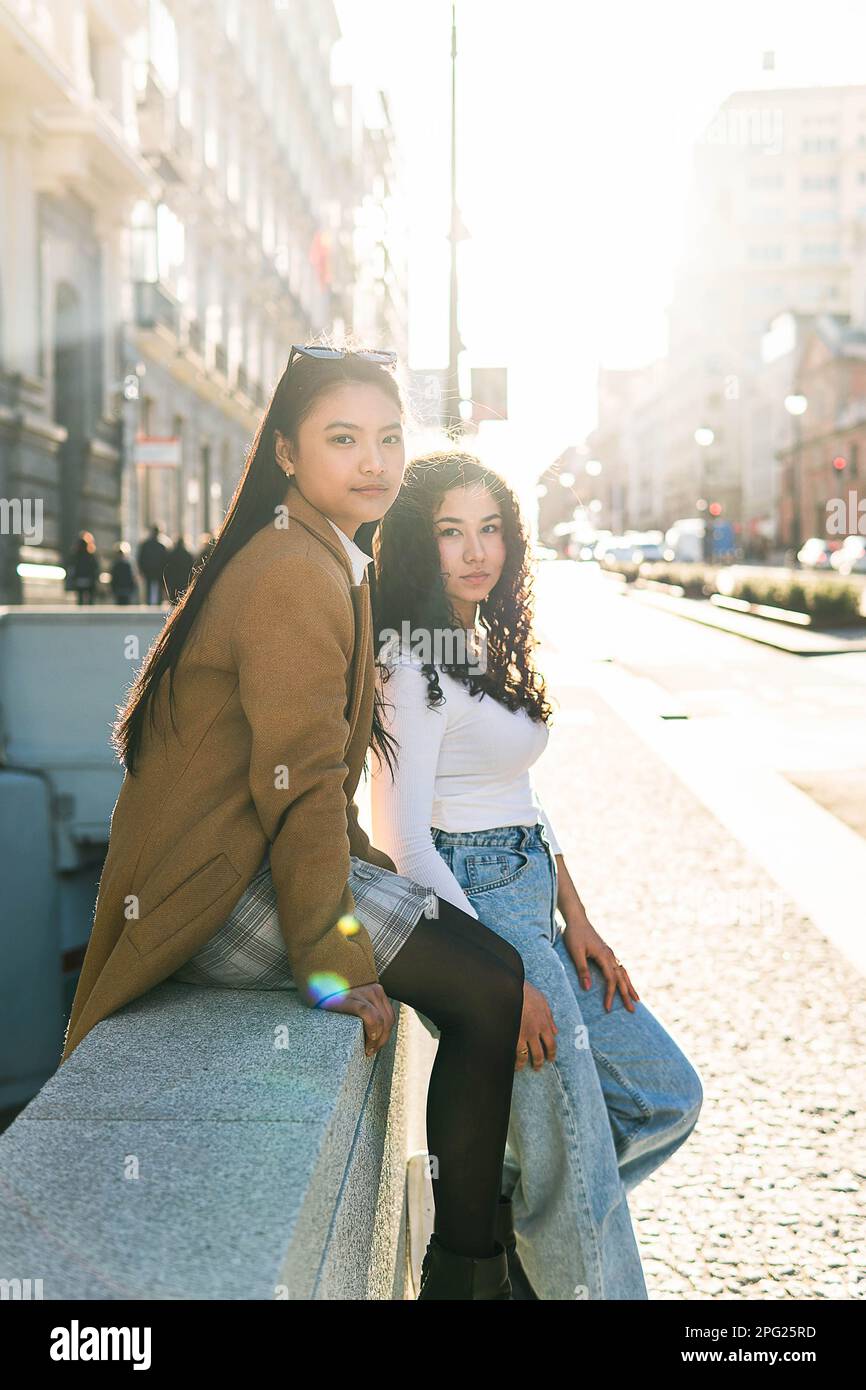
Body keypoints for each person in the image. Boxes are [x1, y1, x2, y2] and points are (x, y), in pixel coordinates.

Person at [60, 344, 526, 1300]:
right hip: (216, 897)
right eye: (342, 439)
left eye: (388, 438)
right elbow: (303, 786)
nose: (373, 462)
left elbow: (319, 782)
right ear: (285, 451)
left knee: (491, 972)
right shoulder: (290, 570)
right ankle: (467, 1278)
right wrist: (333, 961)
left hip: (254, 864)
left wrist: (367, 879)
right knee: (490, 990)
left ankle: (470, 1263)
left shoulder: (324, 554)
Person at [369, 451, 705, 1300]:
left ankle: (518, 1215)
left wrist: (576, 915)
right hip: (479, 911)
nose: (476, 550)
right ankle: (555, 1236)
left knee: (663, 1096)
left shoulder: (483, 638)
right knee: (575, 1173)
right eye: (451, 531)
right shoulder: (409, 662)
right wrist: (496, 978)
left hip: (533, 901)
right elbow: (402, 842)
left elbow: (522, 795)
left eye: (490, 529)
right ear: (416, 543)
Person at [136, 523, 169, 604]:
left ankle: (149, 602)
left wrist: (141, 570)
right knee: (158, 588)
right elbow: (166, 560)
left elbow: (141, 559)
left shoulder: (145, 544)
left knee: (148, 586)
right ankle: (158, 602)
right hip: (158, 571)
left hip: (148, 570)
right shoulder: (162, 545)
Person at [66, 531, 100, 605]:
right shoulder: (91, 556)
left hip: (79, 579)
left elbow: (72, 568)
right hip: (89, 580)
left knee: (80, 599)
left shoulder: (75, 555)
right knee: (90, 600)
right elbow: (95, 568)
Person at [162, 534, 196, 604]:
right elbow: (191, 567)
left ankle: (173, 603)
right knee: (183, 593)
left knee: (174, 593)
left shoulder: (172, 554)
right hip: (184, 577)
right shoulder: (187, 554)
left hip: (174, 578)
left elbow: (167, 567)